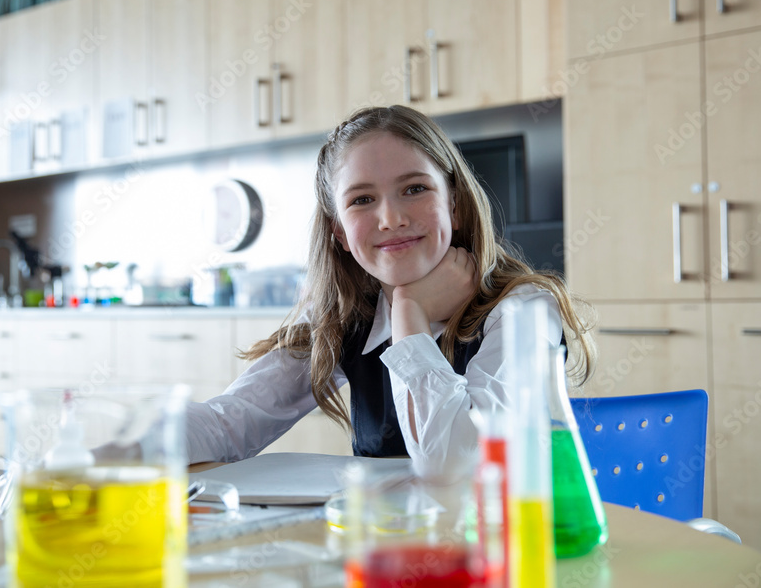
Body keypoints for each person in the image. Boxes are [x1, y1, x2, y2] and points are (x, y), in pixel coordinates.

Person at [186, 105, 596, 478]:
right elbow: (229, 423)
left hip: (495, 549)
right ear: (340, 233)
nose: (392, 218)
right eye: (362, 199)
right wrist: (137, 437)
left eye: (415, 189)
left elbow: (457, 465)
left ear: (454, 204)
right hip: (385, 545)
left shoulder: (522, 312)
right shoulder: (346, 317)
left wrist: (410, 315)